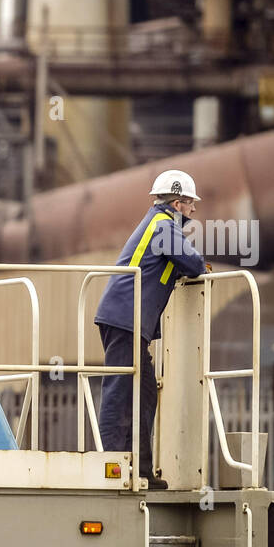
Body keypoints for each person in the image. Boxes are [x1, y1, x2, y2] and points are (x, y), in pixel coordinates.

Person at [93, 169, 212, 489]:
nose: (193, 211)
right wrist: (201, 266)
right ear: (178, 202)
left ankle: (140, 471)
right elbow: (193, 263)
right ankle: (109, 467)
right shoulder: (163, 225)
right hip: (124, 320)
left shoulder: (160, 225)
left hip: (128, 322)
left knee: (144, 394)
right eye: (190, 204)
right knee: (120, 393)